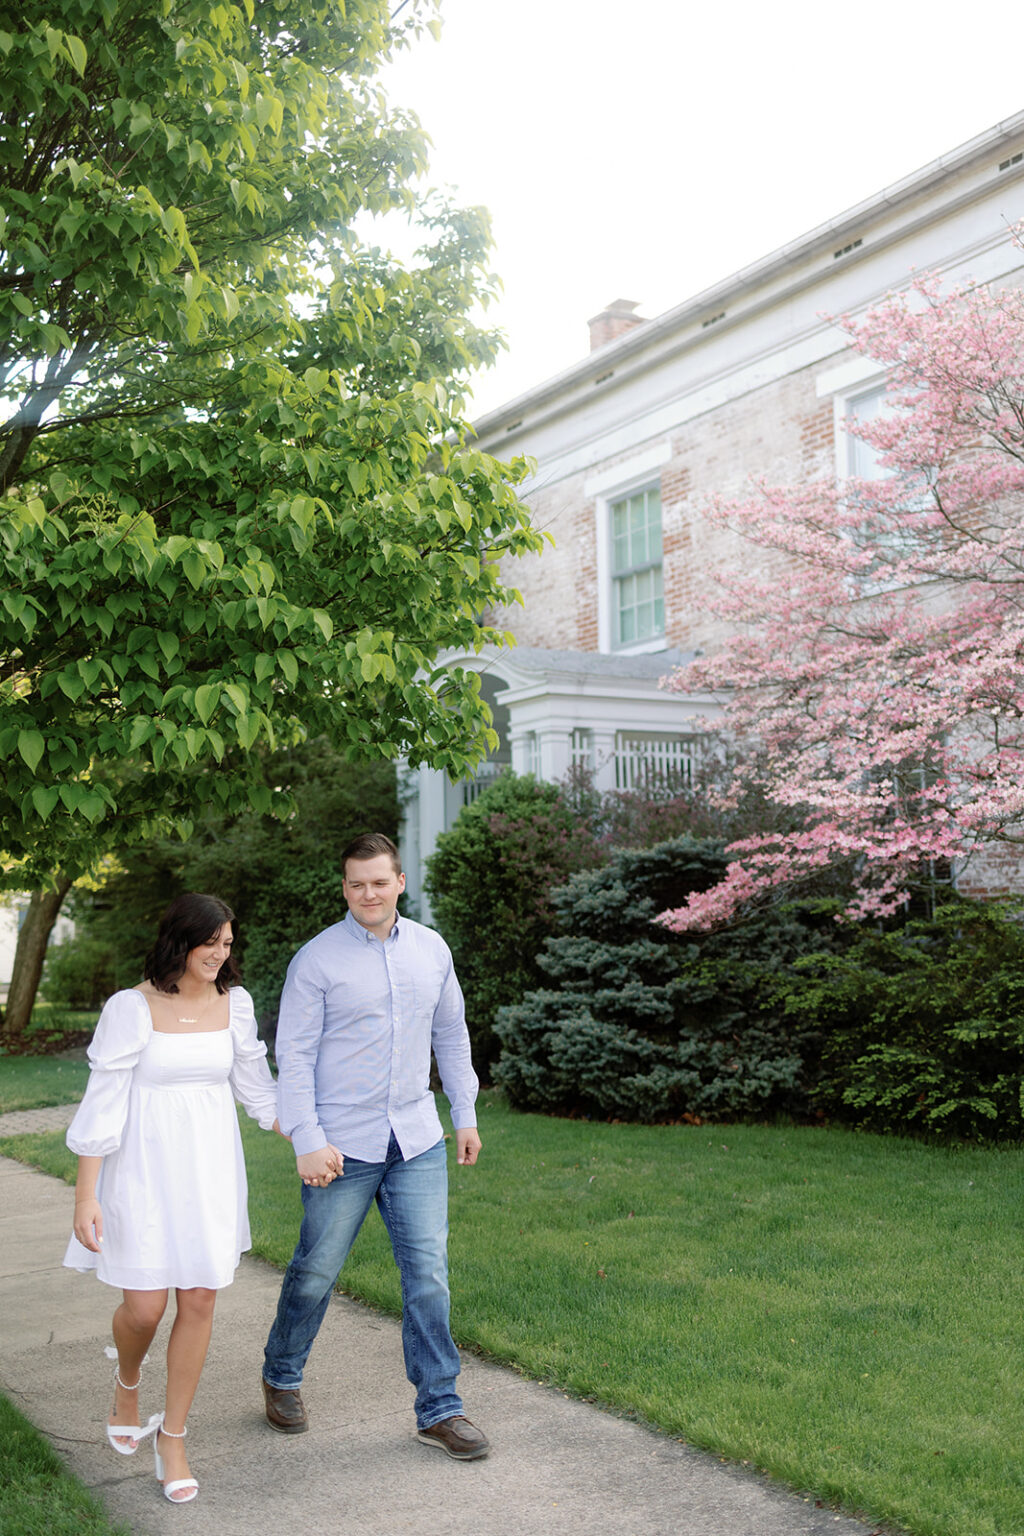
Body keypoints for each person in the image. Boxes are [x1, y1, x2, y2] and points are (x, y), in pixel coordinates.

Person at [262, 832, 489, 1460]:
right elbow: (295, 1057)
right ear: (344, 887)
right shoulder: (317, 960)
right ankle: (281, 1375)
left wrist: (464, 1114)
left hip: (417, 1138)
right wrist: (307, 1139)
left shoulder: (432, 950)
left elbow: (452, 1036)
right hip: (341, 1144)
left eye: (379, 882)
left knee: (428, 1278)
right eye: (356, 883)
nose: (369, 893)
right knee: (316, 1270)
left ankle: (440, 1408)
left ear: (400, 883)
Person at [64, 892, 283, 1504]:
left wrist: (308, 1137)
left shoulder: (235, 1006)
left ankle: (175, 1437)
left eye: (227, 944)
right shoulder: (131, 1008)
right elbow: (102, 1103)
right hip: (140, 1171)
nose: (219, 954)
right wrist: (86, 1196)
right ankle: (127, 1379)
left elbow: (257, 1091)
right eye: (209, 942)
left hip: (209, 1172)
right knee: (144, 1309)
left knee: (200, 1299)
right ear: (179, 941)